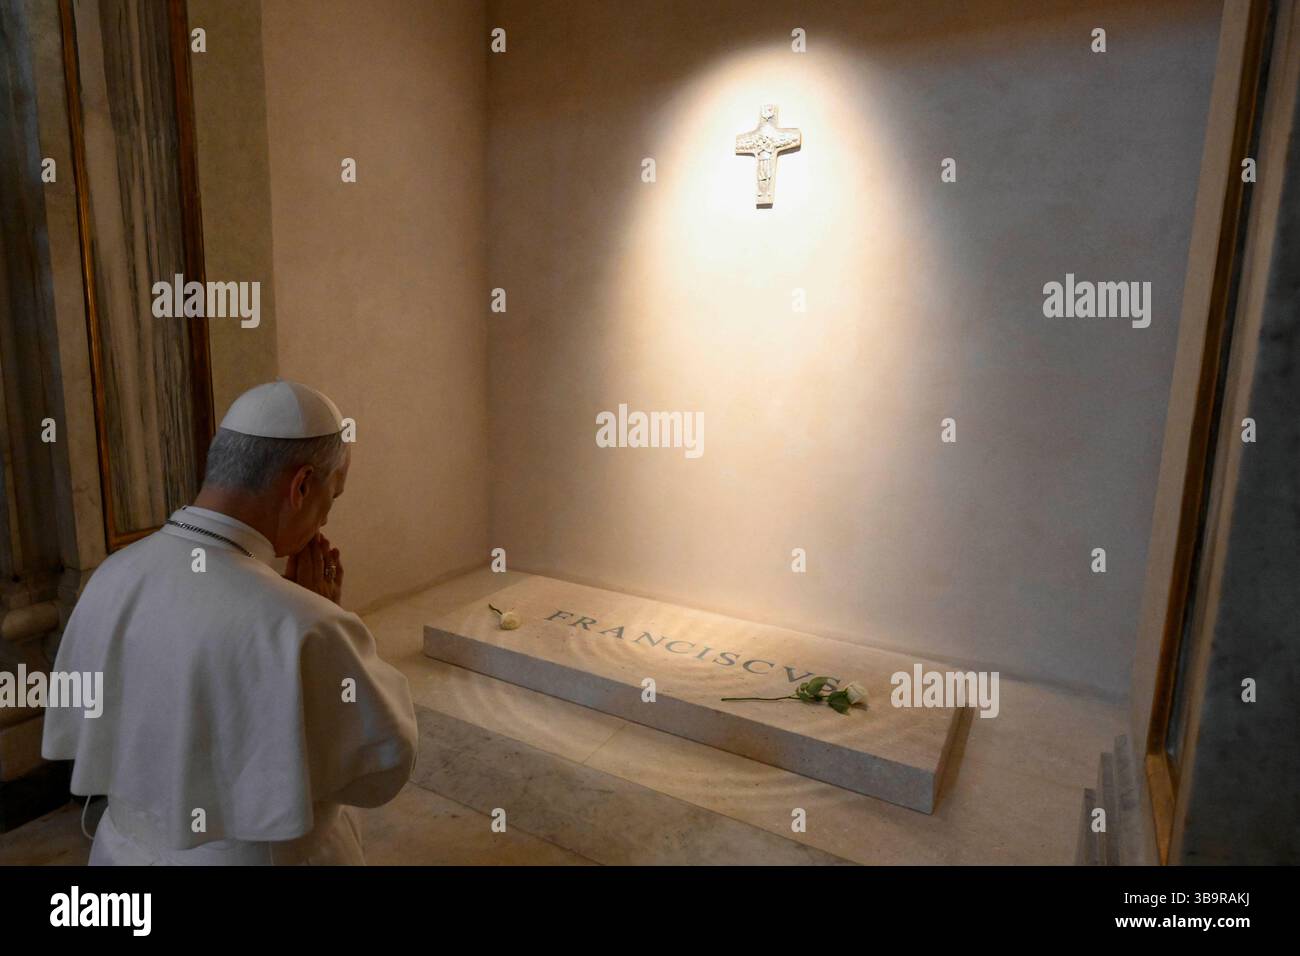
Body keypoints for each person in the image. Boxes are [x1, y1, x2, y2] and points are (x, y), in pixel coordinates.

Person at [42, 381, 417, 864]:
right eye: (333, 497)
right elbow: (384, 762)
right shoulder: (307, 625)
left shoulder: (111, 575)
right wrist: (324, 615)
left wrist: (296, 606)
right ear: (301, 486)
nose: (324, 521)